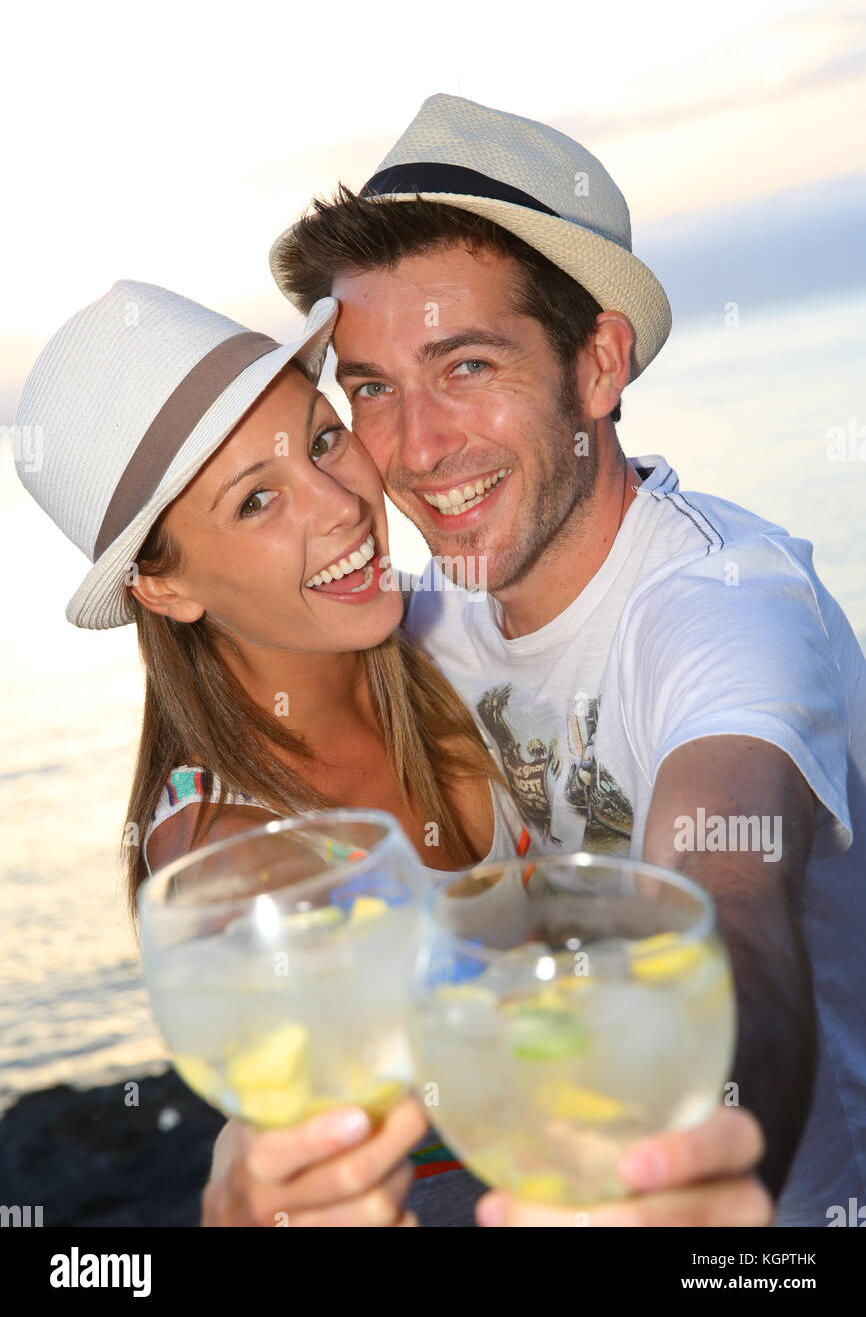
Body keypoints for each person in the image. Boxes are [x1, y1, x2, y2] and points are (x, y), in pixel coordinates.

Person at [16, 277, 771, 1229]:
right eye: (257, 501)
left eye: (323, 438)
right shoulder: (227, 855)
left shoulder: (453, 644)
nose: (339, 504)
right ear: (162, 589)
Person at [263, 92, 866, 1228]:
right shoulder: (429, 618)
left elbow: (726, 894)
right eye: (373, 388)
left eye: (468, 367)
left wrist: (684, 1149)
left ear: (597, 365)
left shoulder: (722, 607)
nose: (414, 447)